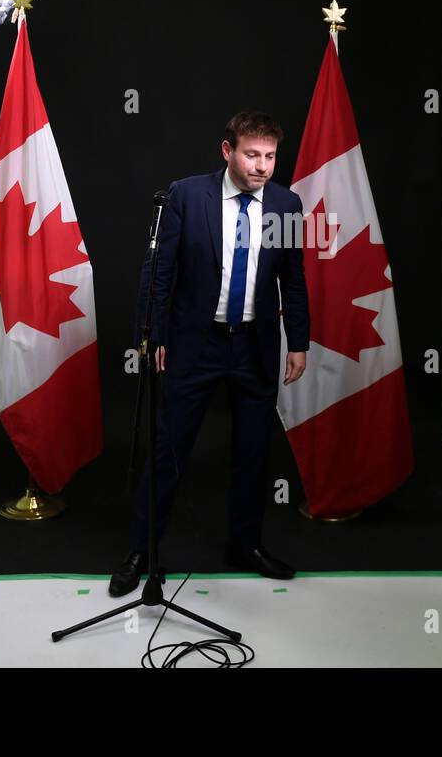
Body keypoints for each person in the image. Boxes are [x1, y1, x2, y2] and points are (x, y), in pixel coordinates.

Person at [110, 110, 310, 597]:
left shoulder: (286, 204)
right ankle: (142, 549)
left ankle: (245, 545)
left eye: (269, 156)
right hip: (195, 344)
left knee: (252, 452)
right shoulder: (186, 195)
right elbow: (158, 272)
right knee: (169, 448)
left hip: (254, 345)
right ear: (227, 151)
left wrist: (299, 341)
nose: (262, 166)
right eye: (251, 155)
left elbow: (294, 277)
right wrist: (153, 333)